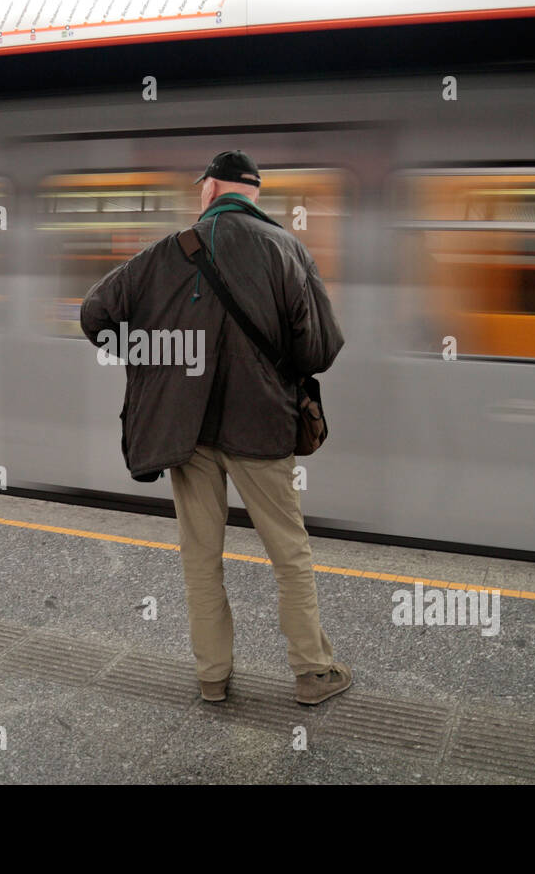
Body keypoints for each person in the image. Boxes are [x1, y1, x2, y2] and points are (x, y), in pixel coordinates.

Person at [81, 150, 351, 706]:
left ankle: (212, 678)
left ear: (208, 191)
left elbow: (95, 313)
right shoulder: (287, 250)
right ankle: (312, 673)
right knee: (289, 553)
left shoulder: (165, 253)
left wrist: (153, 358)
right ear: (253, 194)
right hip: (263, 430)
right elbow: (320, 349)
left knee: (200, 556)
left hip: (190, 436)